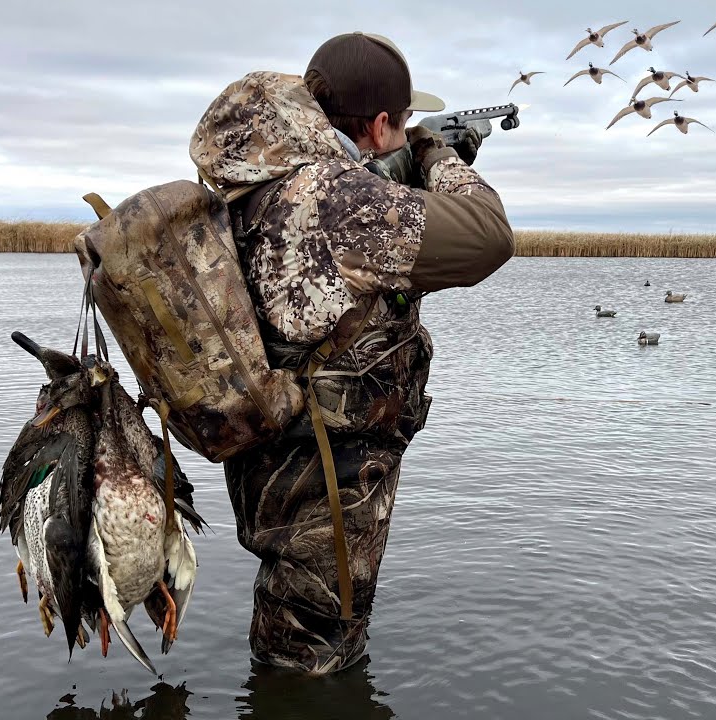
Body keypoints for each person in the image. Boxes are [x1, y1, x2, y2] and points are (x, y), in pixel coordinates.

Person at [189, 31, 514, 675]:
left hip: (278, 455)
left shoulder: (263, 183)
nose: (411, 133)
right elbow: (489, 235)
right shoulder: (344, 204)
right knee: (316, 662)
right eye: (405, 123)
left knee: (291, 633)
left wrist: (400, 161)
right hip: (327, 477)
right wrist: (435, 152)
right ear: (382, 124)